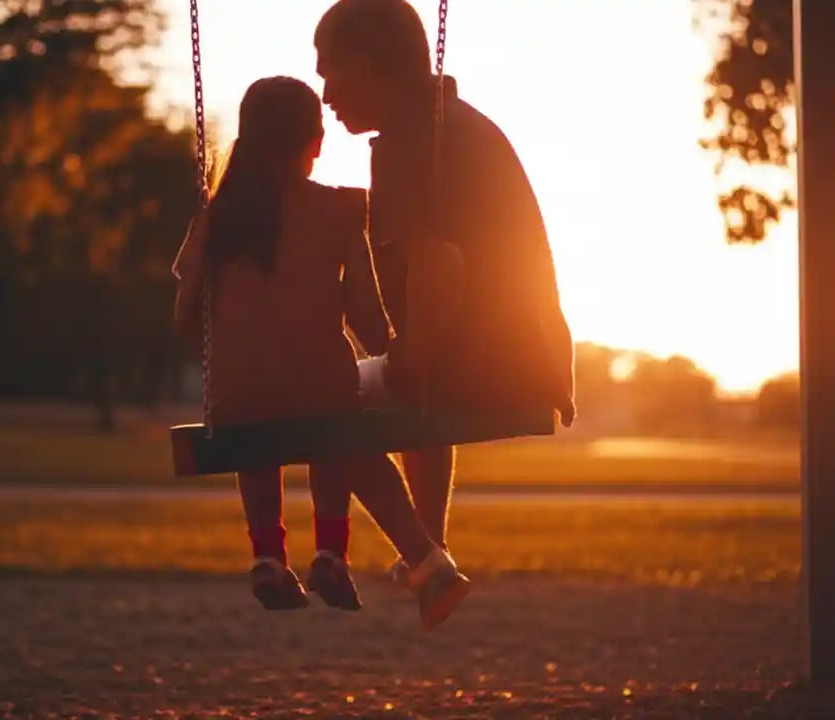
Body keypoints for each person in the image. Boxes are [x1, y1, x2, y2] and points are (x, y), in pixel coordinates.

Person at [173, 76, 472, 629]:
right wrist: (395, 354)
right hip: (322, 395)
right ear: (315, 142)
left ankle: (267, 556)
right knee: (340, 416)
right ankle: (344, 553)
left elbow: (184, 313)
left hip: (236, 401)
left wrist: (227, 349)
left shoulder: (216, 217)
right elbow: (363, 308)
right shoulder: (338, 211)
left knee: (256, 417)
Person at [314, 0, 577, 580]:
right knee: (407, 369)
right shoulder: (451, 124)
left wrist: (411, 357)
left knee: (316, 399)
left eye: (328, 70)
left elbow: (441, 265)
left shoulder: (418, 140)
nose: (325, 93)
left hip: (487, 361)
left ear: (365, 63)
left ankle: (416, 556)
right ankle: (430, 551)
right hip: (520, 356)